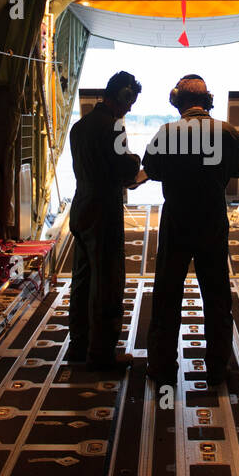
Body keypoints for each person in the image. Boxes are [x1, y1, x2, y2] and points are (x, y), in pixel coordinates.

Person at [142, 75, 239, 388]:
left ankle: (161, 368)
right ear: (209, 100)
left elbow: (153, 170)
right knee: (216, 298)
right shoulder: (228, 132)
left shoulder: (167, 133)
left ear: (177, 101)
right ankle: (217, 368)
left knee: (166, 297)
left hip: (176, 220)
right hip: (213, 221)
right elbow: (238, 170)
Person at [68, 71, 143, 371]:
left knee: (82, 282)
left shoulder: (78, 127)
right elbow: (124, 169)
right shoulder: (113, 129)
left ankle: (79, 345)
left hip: (82, 209)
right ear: (122, 96)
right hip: (104, 213)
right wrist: (136, 161)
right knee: (108, 282)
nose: (130, 108)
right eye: (130, 101)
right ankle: (102, 353)